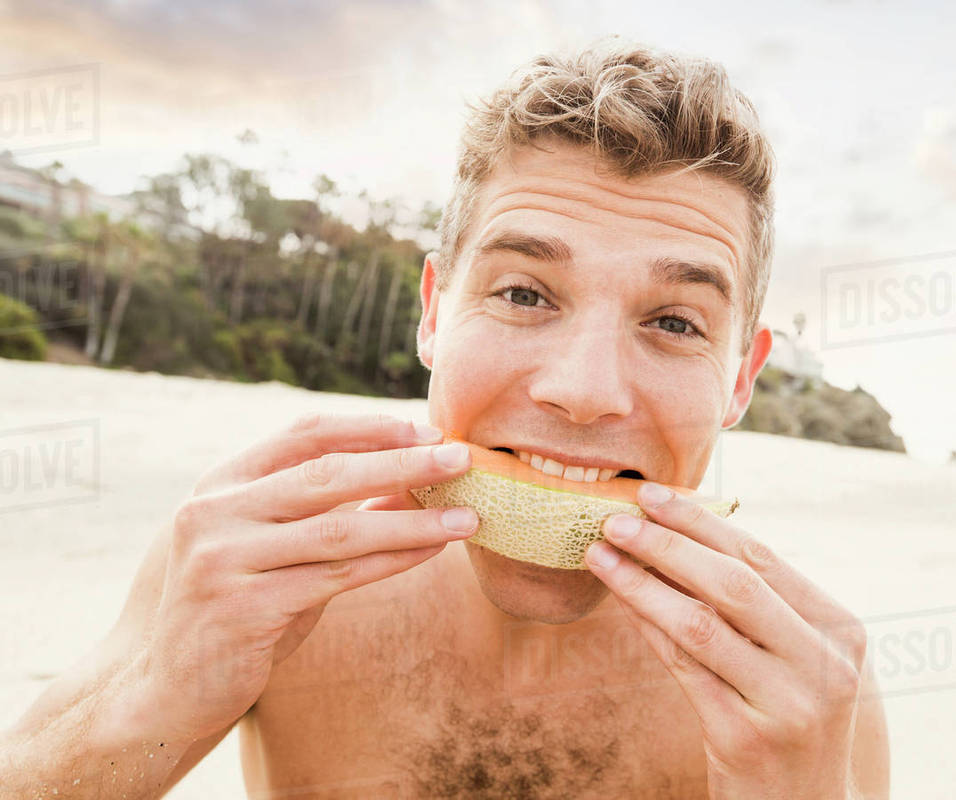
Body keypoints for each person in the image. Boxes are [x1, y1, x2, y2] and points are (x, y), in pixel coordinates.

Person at [2, 38, 889, 799]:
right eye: (524, 293)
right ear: (434, 313)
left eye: (674, 323)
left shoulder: (802, 692)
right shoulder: (260, 563)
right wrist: (149, 701)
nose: (584, 391)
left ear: (740, 381)